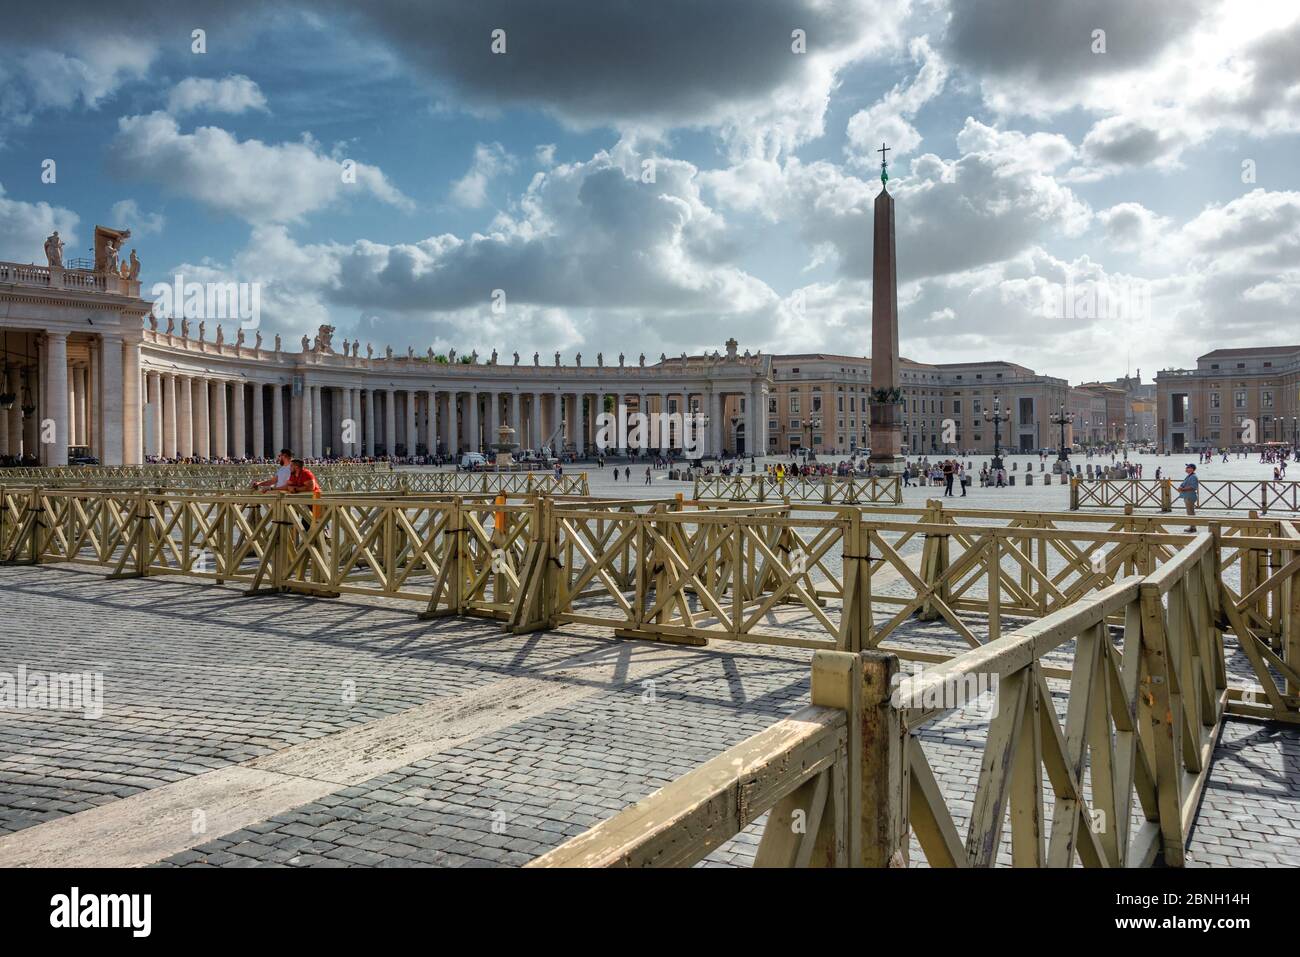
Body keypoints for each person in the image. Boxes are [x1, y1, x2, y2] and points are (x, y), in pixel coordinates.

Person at [1177, 463, 1199, 532]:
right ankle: (1192, 526)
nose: (1186, 469)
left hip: (1190, 496)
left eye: (1188, 467)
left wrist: (1183, 489)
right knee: (1190, 512)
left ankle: (1193, 527)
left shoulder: (1193, 477)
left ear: (1192, 469)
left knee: (1190, 512)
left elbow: (1193, 487)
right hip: (1188, 496)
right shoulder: (1190, 476)